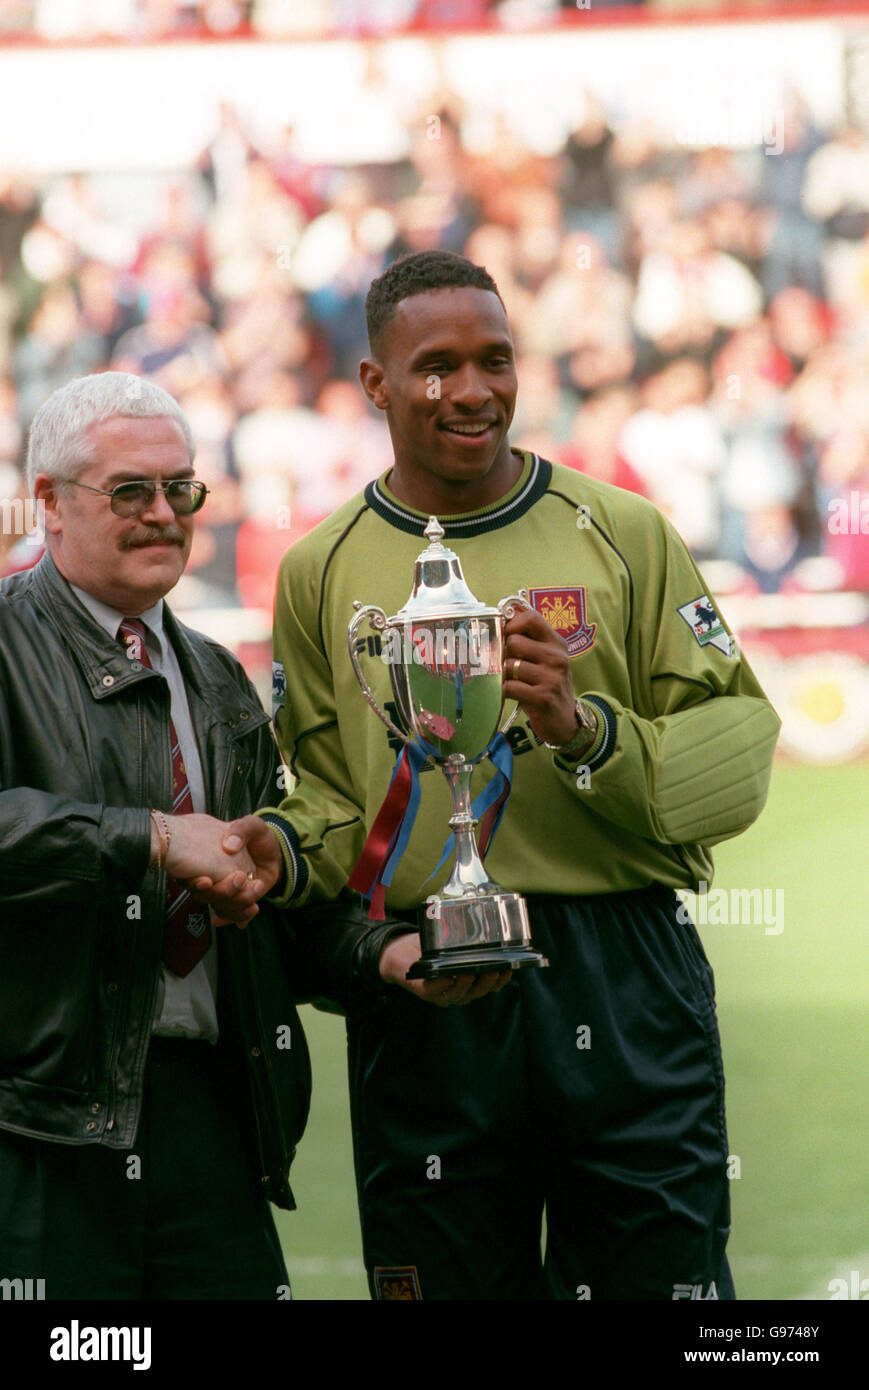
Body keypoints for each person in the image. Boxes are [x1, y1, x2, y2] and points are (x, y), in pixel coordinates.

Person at [205, 251, 781, 1301]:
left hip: (619, 973)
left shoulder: (625, 530)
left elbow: (736, 745)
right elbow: (336, 799)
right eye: (435, 366)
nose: (472, 390)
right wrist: (280, 845)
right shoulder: (319, 567)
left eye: (494, 360)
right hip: (432, 980)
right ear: (375, 384)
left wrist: (583, 727)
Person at [0, 371, 309, 1300]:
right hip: (37, 1126)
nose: (163, 515)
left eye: (181, 490)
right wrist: (148, 837)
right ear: (49, 503)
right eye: (130, 492)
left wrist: (383, 951)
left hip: (212, 1114)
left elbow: (271, 904)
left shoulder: (217, 677)